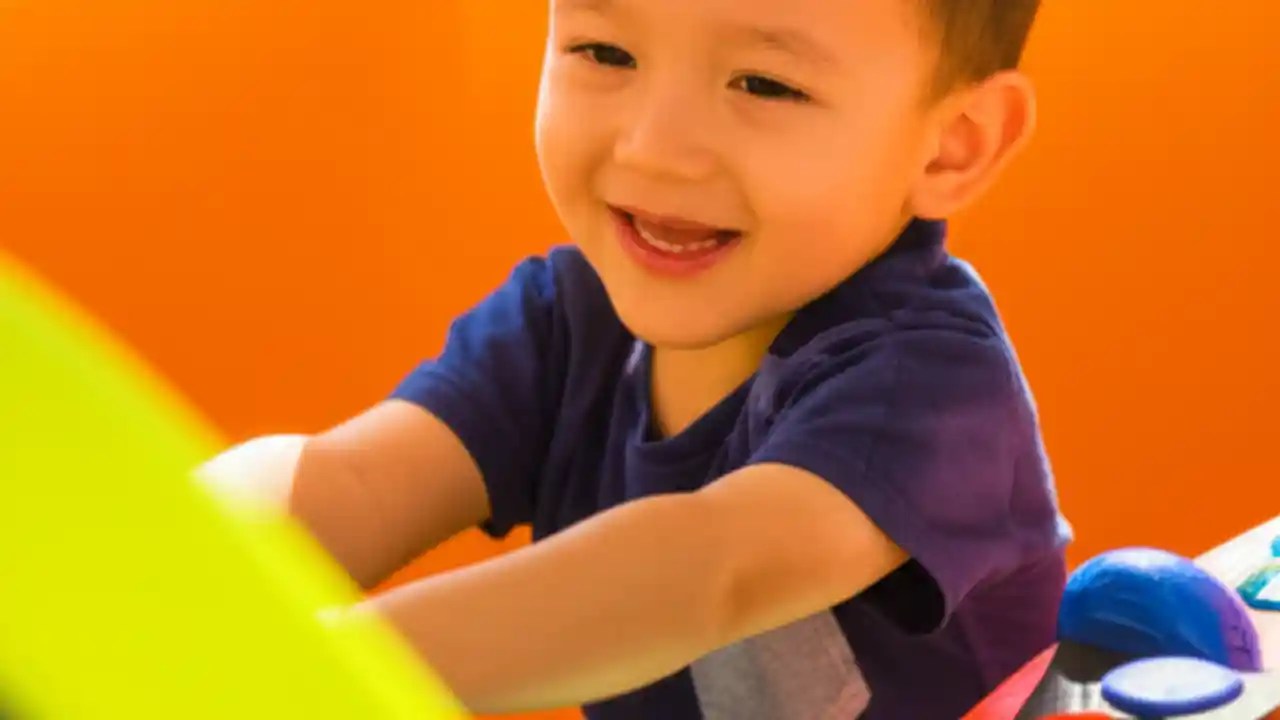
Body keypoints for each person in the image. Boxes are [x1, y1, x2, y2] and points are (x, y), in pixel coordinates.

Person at [199, 0, 1072, 717]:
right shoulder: (564, 326)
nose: (654, 146)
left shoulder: (931, 391)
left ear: (953, 144)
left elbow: (708, 572)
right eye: (604, 51)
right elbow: (352, 481)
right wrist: (160, 557)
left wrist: (319, 669)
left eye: (764, 83)